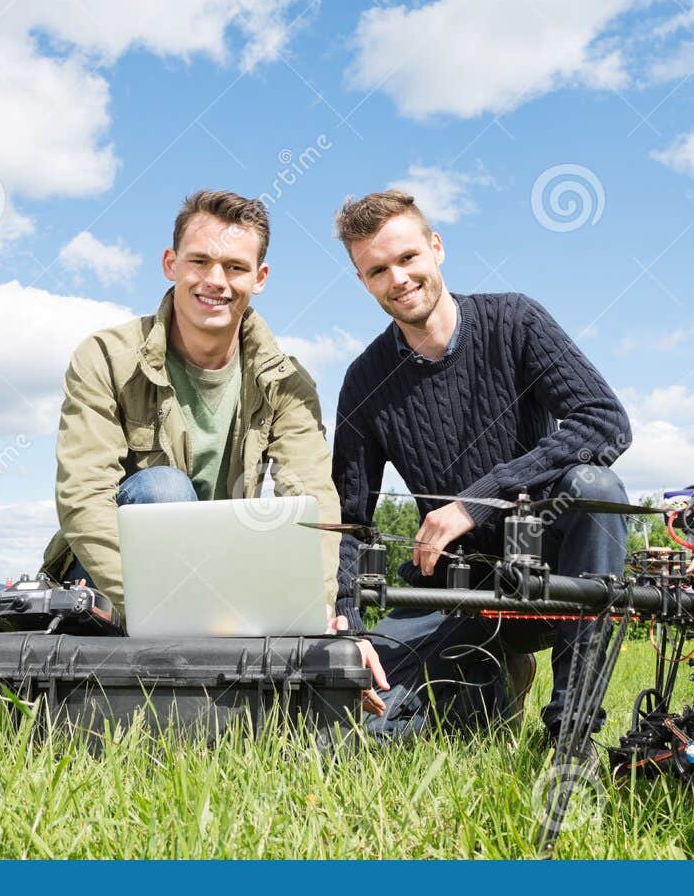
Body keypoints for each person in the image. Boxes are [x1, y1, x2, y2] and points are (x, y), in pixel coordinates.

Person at [41, 189, 388, 711]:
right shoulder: (106, 357)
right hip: (116, 580)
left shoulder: (287, 381)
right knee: (164, 489)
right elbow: (84, 500)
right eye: (199, 261)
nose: (215, 282)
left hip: (219, 583)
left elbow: (313, 500)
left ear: (259, 278)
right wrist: (178, 610)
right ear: (170, 263)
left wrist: (314, 617)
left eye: (235, 267)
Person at [330, 189, 632, 741]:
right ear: (362, 281)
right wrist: (348, 629)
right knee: (348, 731)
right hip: (452, 591)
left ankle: (572, 731)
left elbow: (605, 423)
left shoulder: (514, 321)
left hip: (546, 580)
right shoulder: (364, 380)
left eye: (408, 258)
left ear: (436, 247)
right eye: (377, 270)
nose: (397, 278)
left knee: (596, 485)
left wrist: (476, 502)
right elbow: (351, 518)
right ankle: (491, 685)